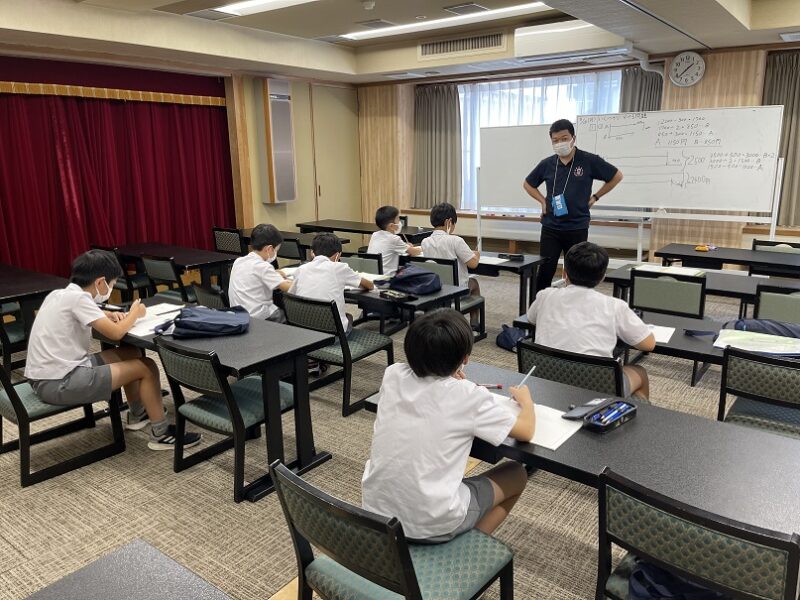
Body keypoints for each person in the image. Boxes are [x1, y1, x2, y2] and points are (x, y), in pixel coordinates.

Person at [362, 308, 534, 543]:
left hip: (376, 514)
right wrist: (527, 402)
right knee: (517, 473)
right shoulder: (467, 395)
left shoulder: (392, 375)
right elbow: (526, 432)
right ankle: (468, 550)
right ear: (465, 359)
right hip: (431, 523)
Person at [24, 250, 201, 451]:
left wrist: (105, 313)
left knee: (132, 352)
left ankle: (137, 413)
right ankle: (161, 434)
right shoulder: (80, 300)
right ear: (100, 283)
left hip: (48, 375)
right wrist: (135, 312)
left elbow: (85, 312)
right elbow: (116, 334)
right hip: (60, 383)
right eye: (112, 283)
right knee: (147, 366)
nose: (111, 288)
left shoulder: (61, 294)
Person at [526, 242, 654, 400]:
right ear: (602, 277)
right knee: (640, 372)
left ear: (565, 273)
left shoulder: (545, 295)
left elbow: (531, 320)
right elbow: (648, 344)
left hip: (545, 377)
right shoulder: (614, 306)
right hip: (595, 385)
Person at [523, 118, 623, 294]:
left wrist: (595, 197)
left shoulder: (588, 160)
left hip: (577, 226)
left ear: (573, 138)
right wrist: (542, 201)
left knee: (577, 273)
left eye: (564, 138)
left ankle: (574, 308)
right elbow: (528, 184)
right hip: (551, 227)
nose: (560, 143)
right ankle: (537, 309)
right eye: (555, 140)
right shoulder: (547, 164)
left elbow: (616, 176)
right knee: (545, 271)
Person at [290, 232, 374, 335]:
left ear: (312, 252)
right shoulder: (340, 267)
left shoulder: (300, 270)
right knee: (348, 317)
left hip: (304, 328)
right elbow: (369, 285)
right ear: (338, 255)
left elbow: (291, 295)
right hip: (332, 331)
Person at [421, 203, 481, 329]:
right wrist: (477, 255)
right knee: (474, 283)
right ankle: (474, 322)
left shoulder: (425, 242)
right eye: (454, 223)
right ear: (449, 222)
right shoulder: (456, 240)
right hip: (455, 292)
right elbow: (473, 264)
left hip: (436, 290)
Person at [228, 223, 292, 323]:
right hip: (258, 318)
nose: (276, 254)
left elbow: (255, 277)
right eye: (276, 250)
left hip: (238, 315)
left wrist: (274, 273)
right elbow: (288, 287)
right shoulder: (263, 267)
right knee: (286, 314)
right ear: (269, 249)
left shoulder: (239, 261)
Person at [367, 205, 422, 276]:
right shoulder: (394, 239)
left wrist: (406, 246)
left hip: (371, 276)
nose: (400, 222)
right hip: (385, 279)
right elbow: (414, 252)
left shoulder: (375, 235)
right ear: (391, 226)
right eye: (398, 219)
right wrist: (421, 247)